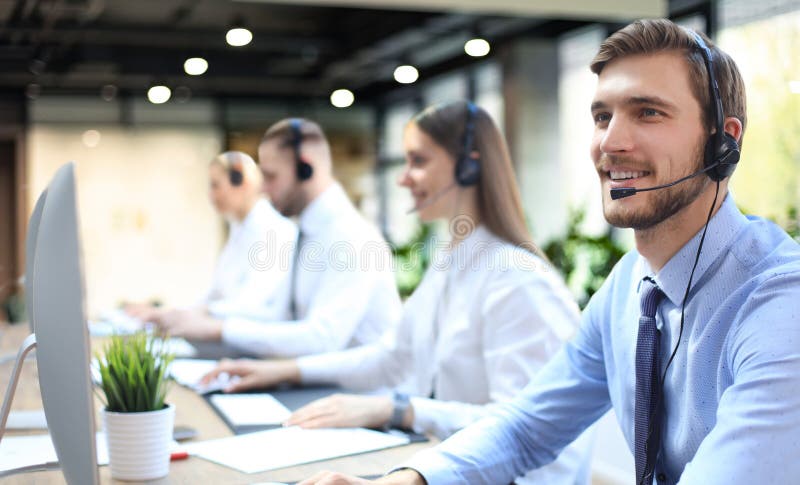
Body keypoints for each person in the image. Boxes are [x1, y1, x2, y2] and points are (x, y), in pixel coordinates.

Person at [293, 19, 800, 485]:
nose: (611, 142)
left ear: (723, 143)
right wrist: (407, 481)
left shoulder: (780, 305)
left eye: (648, 112)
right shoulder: (628, 288)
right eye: (603, 116)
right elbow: (526, 425)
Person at [203, 101, 593, 484]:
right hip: (445, 465)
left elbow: (523, 432)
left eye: (418, 161)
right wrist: (282, 371)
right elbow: (392, 356)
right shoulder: (451, 263)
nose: (403, 178)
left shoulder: (518, 280)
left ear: (469, 163)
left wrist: (398, 409)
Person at [150, 118, 402, 358]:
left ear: (305, 168)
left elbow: (323, 338)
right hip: (325, 387)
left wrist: (219, 328)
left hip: (365, 396)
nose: (262, 188)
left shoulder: (351, 236)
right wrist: (193, 318)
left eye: (271, 176)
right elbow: (276, 314)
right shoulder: (307, 232)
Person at [126, 151, 297, 324]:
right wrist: (168, 312)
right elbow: (214, 293)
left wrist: (191, 314)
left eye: (216, 185)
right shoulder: (239, 229)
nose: (211, 195)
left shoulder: (275, 231)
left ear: (242, 182)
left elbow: (251, 305)